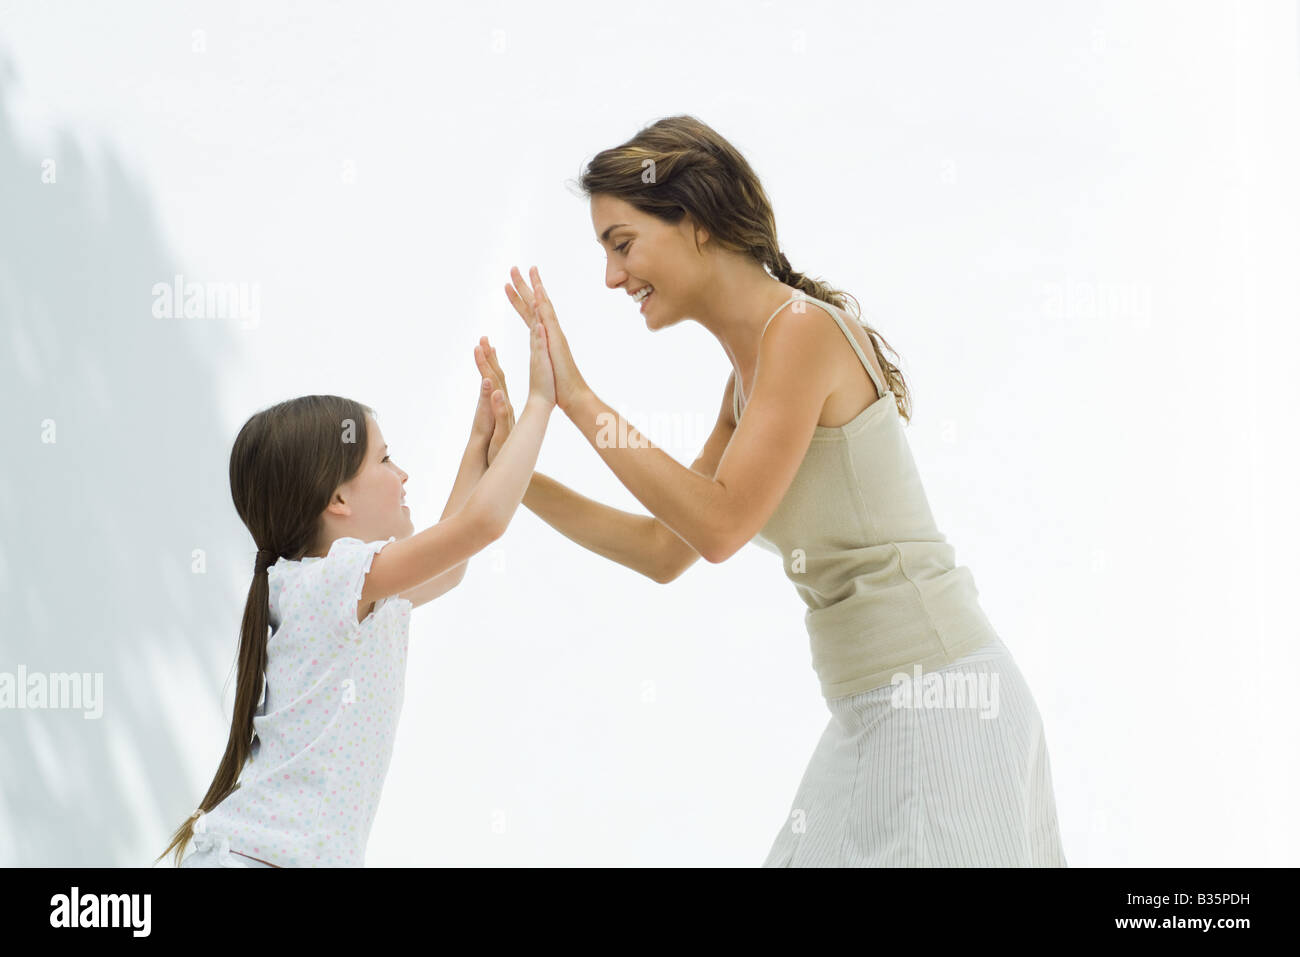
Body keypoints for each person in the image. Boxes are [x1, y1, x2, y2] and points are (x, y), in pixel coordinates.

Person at [477, 115, 1067, 866]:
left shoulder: (802, 334)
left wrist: (576, 396)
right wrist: (516, 477)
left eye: (621, 244)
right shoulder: (745, 380)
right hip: (872, 709)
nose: (612, 278)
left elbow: (721, 527)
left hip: (939, 704)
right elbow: (667, 547)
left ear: (693, 222)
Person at [156, 317, 556, 867]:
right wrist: (543, 402)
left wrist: (480, 441)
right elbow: (482, 524)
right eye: (386, 459)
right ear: (338, 500)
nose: (403, 475)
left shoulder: (349, 594)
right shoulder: (331, 580)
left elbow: (452, 563)